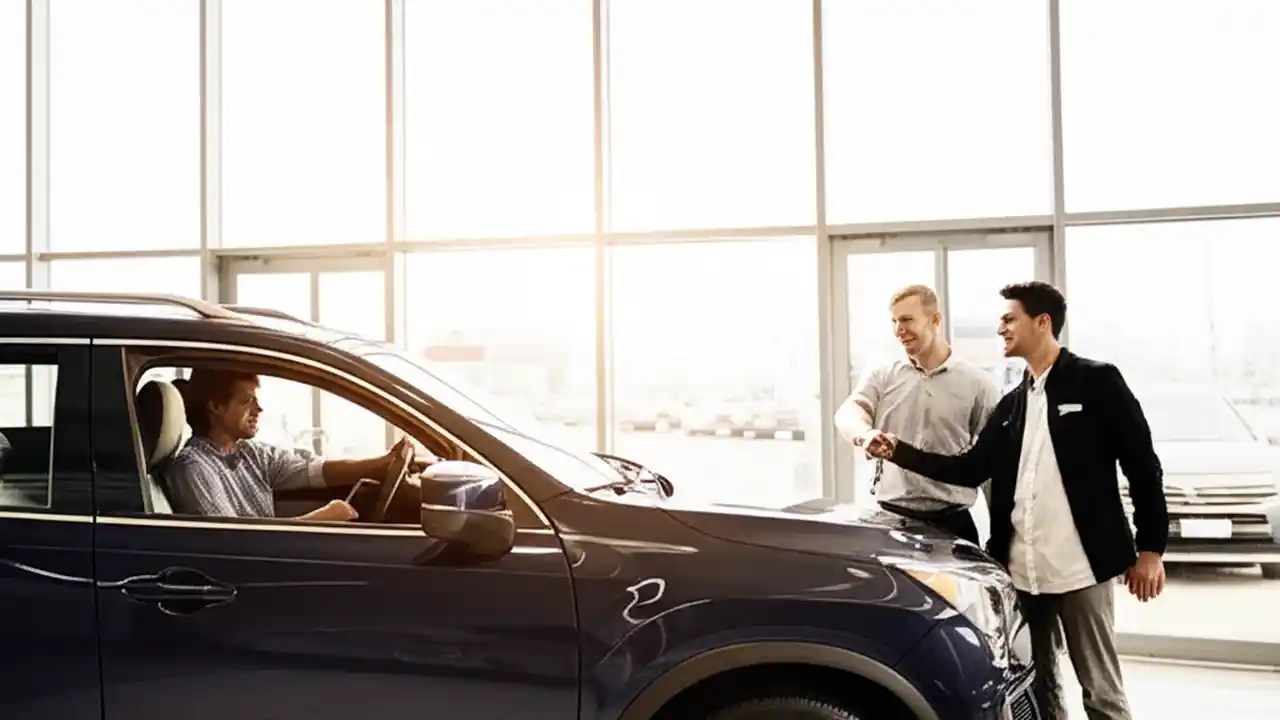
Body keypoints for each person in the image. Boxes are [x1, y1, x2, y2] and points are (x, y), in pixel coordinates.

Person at [866, 280, 1167, 720]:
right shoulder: (1012, 404)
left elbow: (1143, 465)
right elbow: (968, 469)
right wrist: (896, 449)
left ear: (1042, 323)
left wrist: (1151, 548)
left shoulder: (1097, 381)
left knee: (1100, 691)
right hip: (1023, 574)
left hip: (1084, 569)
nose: (1000, 328)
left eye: (1010, 319)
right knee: (1039, 689)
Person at [834, 283, 1002, 544]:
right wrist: (864, 435)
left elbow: (991, 469)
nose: (899, 330)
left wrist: (999, 538)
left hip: (953, 526)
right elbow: (848, 412)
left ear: (935, 320)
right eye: (894, 321)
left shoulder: (979, 385)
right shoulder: (883, 376)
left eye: (907, 320)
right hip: (890, 523)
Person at [166, 368, 432, 522]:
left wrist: (381, 465)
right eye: (247, 401)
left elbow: (314, 471)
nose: (259, 408)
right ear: (215, 407)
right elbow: (235, 547)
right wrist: (324, 519)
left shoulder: (251, 454)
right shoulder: (193, 468)